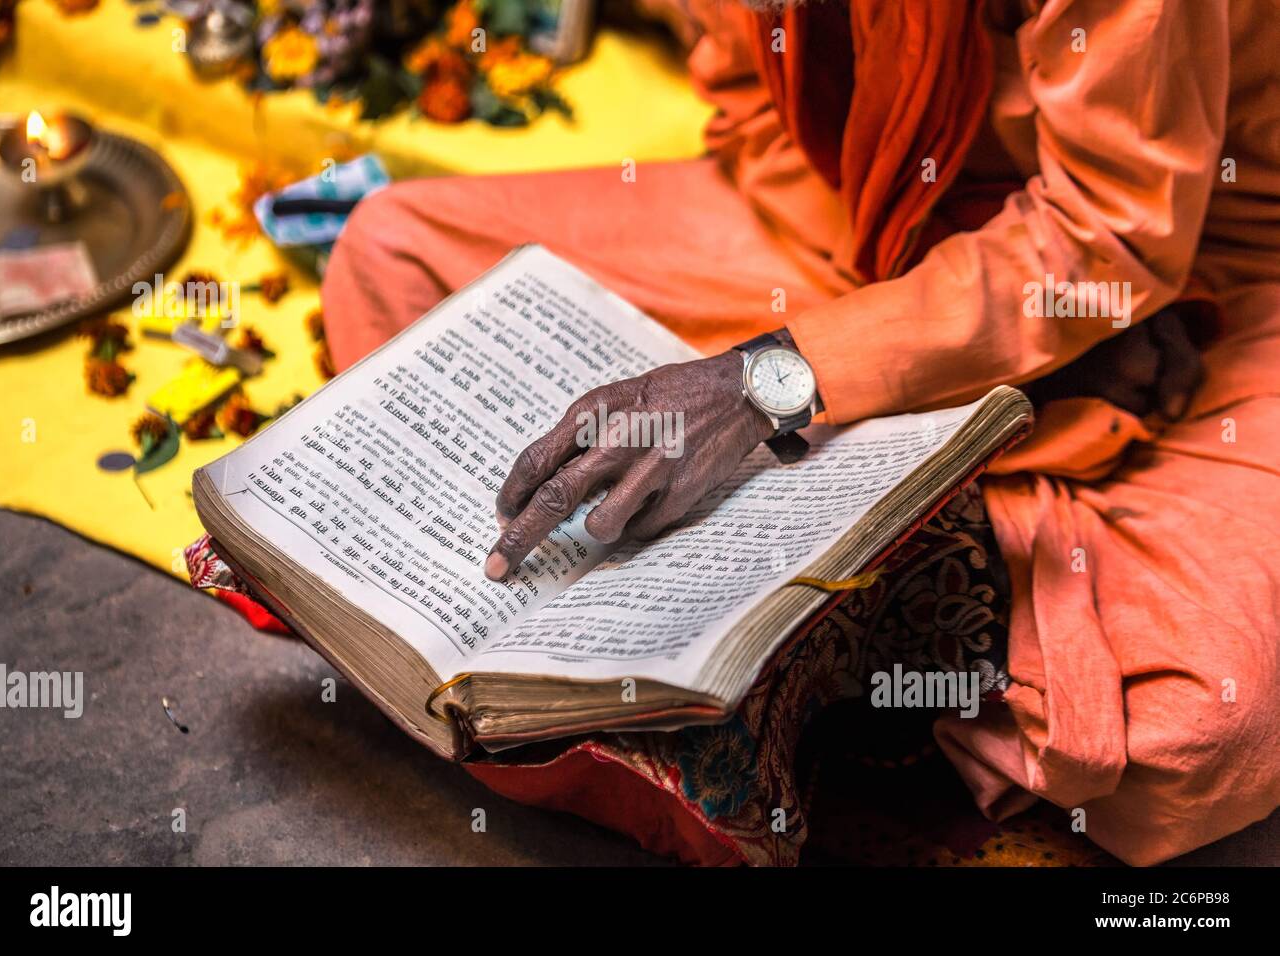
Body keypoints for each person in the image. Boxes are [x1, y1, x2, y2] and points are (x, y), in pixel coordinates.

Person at [321, 0, 1280, 864]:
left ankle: (874, 607)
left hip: (1202, 263)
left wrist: (765, 382)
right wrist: (879, 331)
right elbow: (752, 103)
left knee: (1190, 736)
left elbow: (1109, 234)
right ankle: (863, 582)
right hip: (860, 235)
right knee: (394, 256)